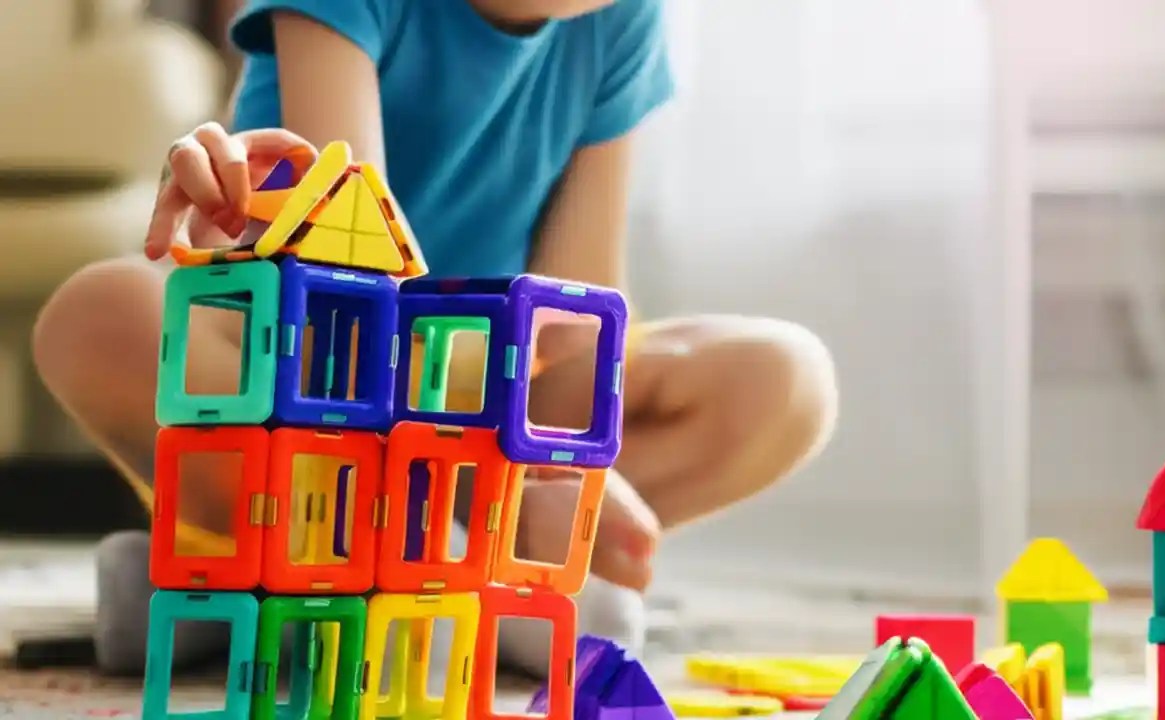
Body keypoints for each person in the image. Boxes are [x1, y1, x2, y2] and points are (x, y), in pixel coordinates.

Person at [33, 0, 838, 675]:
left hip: (488, 388)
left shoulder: (620, 18)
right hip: (312, 396)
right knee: (97, 315)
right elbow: (354, 281)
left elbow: (576, 310)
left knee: (786, 379)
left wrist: (568, 463)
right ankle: (464, 578)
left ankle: (308, 576)